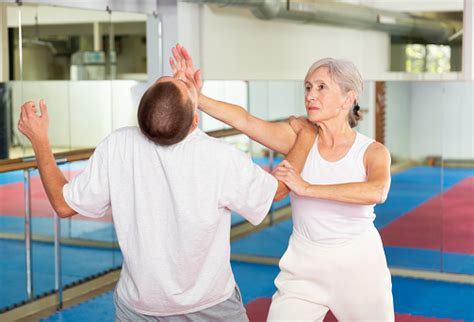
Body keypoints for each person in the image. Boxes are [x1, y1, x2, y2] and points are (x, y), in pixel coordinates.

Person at [17, 67, 316, 321]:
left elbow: (63, 203)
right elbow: (276, 190)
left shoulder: (118, 146)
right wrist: (306, 136)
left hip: (138, 308)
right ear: (195, 120)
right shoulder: (219, 157)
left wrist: (40, 139)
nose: (168, 75)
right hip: (209, 307)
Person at [170, 44, 394, 321]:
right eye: (308, 87)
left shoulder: (371, 151)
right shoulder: (298, 138)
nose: (310, 95)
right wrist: (196, 96)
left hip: (360, 265)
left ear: (349, 98)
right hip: (304, 264)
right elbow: (245, 120)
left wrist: (307, 188)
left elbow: (377, 191)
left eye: (321, 87)